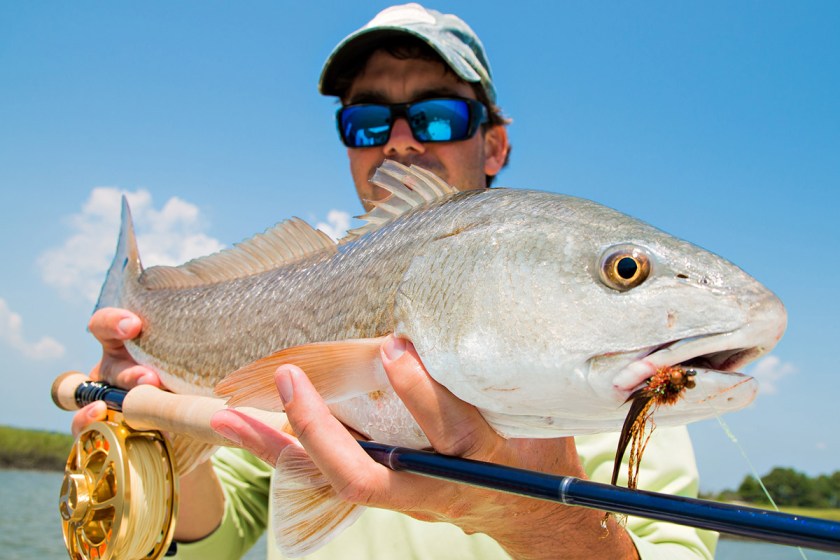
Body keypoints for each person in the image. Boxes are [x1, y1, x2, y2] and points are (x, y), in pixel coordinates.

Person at [73, 4, 716, 559]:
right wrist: (162, 434)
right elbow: (220, 535)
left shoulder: (617, 379)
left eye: (437, 116)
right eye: (369, 123)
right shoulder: (305, 288)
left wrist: (539, 518)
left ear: (493, 146)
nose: (401, 142)